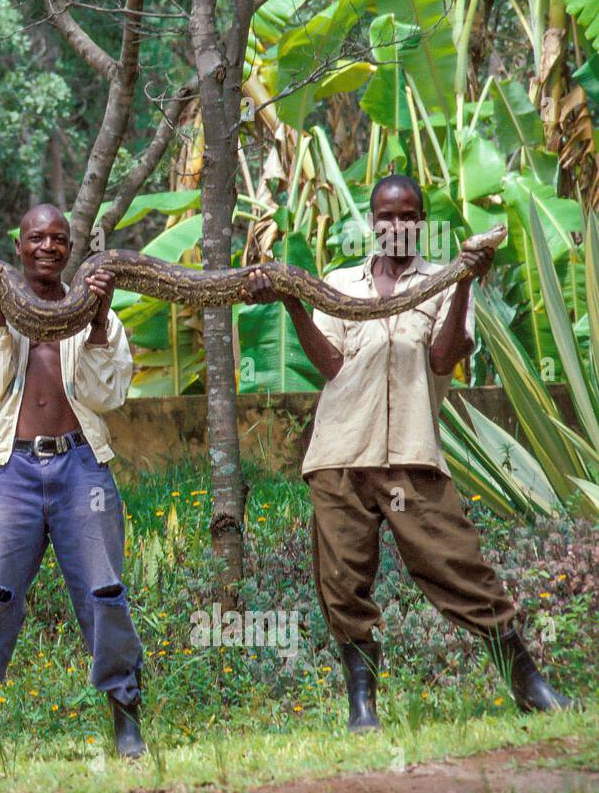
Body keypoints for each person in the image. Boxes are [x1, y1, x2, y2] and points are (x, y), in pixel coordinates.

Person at [244, 173, 573, 732]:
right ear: (373, 222)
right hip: (341, 454)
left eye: (408, 215)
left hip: (412, 459)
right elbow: (332, 367)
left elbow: (444, 360)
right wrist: (295, 305)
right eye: (387, 215)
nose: (397, 224)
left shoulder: (443, 283)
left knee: (459, 567)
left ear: (421, 222)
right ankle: (362, 706)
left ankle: (527, 682)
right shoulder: (339, 284)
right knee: (343, 585)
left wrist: (467, 281)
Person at [0, 203, 144, 769]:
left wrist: (98, 322)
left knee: (104, 592)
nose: (48, 247)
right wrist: (2, 319)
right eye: (36, 238)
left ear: (70, 249)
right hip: (14, 470)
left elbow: (108, 398)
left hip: (83, 469)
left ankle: (127, 726)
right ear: (19, 246)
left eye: (58, 239)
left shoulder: (95, 311)